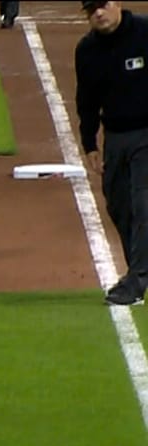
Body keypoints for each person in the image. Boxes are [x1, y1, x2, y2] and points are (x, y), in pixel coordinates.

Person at [77, 0, 148, 306]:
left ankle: (137, 281)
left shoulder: (145, 32)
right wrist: (89, 143)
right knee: (118, 205)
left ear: (117, 3)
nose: (99, 14)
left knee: (144, 203)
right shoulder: (88, 50)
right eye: (91, 10)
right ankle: (138, 270)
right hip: (116, 137)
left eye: (103, 5)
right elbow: (87, 99)